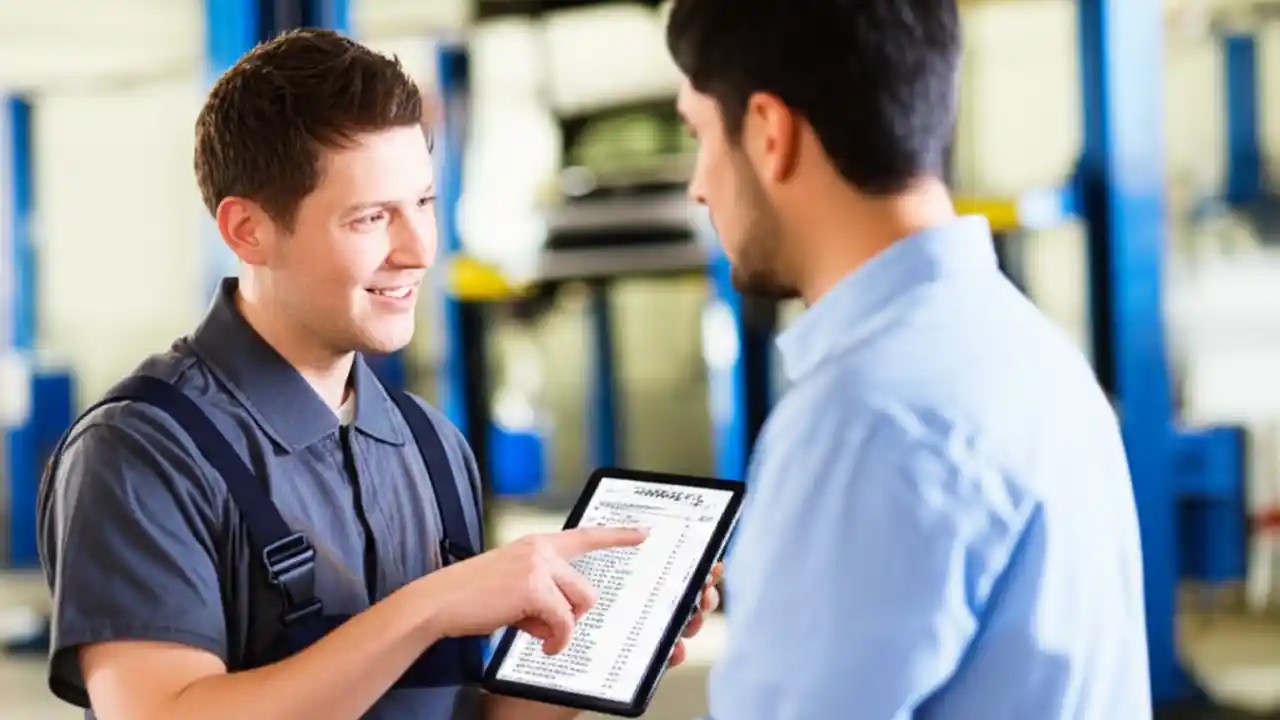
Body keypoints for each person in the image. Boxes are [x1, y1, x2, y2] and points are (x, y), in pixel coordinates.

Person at [36, 29, 717, 720]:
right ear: (247, 231)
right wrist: (432, 607)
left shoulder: (430, 445)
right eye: (370, 218)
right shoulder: (140, 453)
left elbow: (456, 711)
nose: (420, 250)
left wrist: (604, 644)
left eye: (422, 203)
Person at [665, 1, 1150, 718]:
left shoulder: (861, 419)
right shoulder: (1030, 351)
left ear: (770, 132)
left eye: (700, 135)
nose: (698, 185)